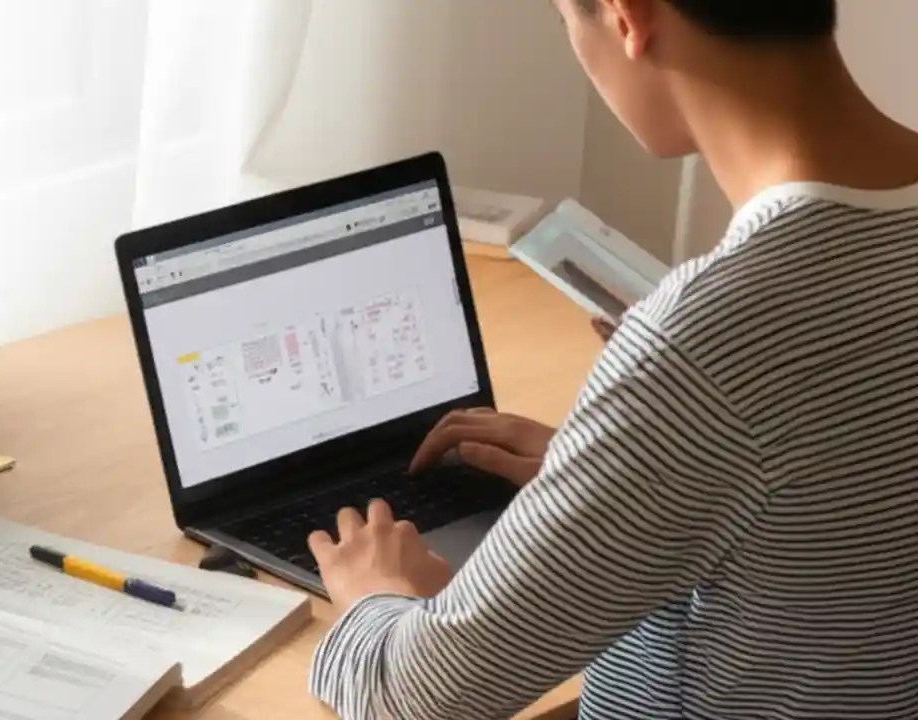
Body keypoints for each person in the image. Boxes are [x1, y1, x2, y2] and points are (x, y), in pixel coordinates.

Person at [306, 1, 918, 718]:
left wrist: (373, 592)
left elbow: (410, 699)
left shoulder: (707, 342)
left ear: (629, 17)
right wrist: (610, 467)